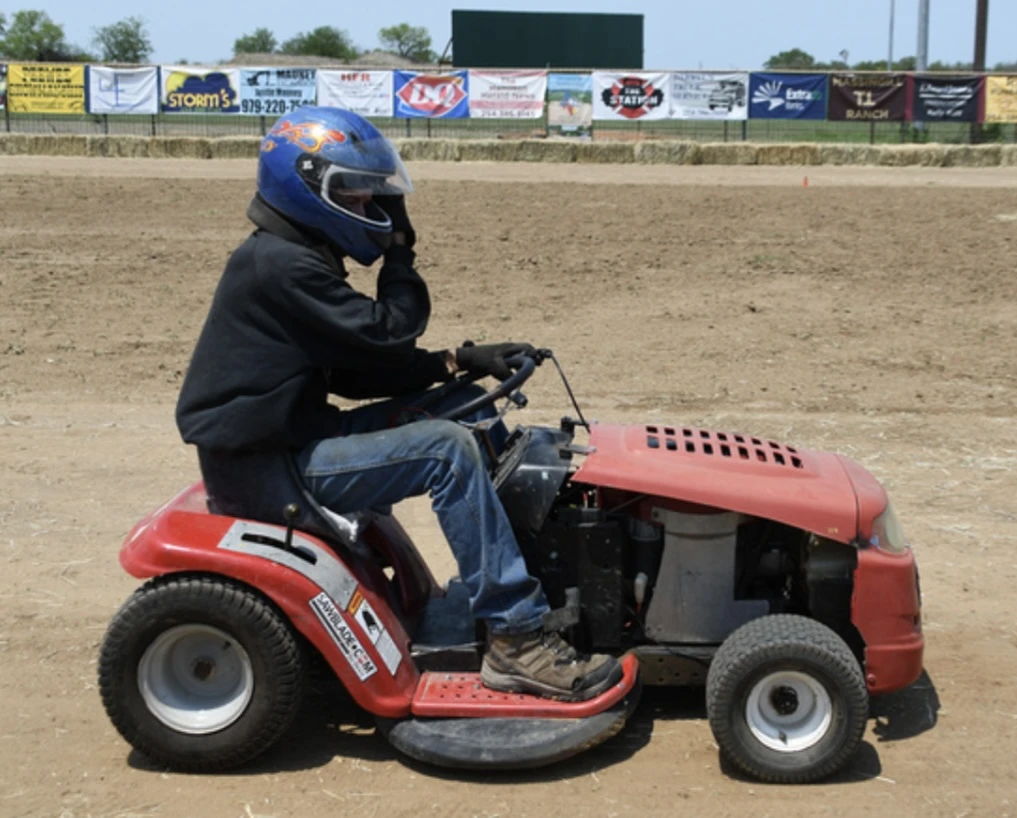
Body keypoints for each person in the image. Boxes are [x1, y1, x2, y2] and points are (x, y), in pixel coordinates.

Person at [175, 106, 621, 702]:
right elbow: (388, 330)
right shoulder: (280, 266)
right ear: (308, 189)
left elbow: (362, 368)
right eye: (358, 200)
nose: (374, 215)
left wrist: (459, 364)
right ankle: (516, 639)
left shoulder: (291, 256)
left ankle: (528, 576)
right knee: (447, 450)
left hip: (290, 444)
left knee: (463, 408)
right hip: (269, 470)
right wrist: (401, 252)